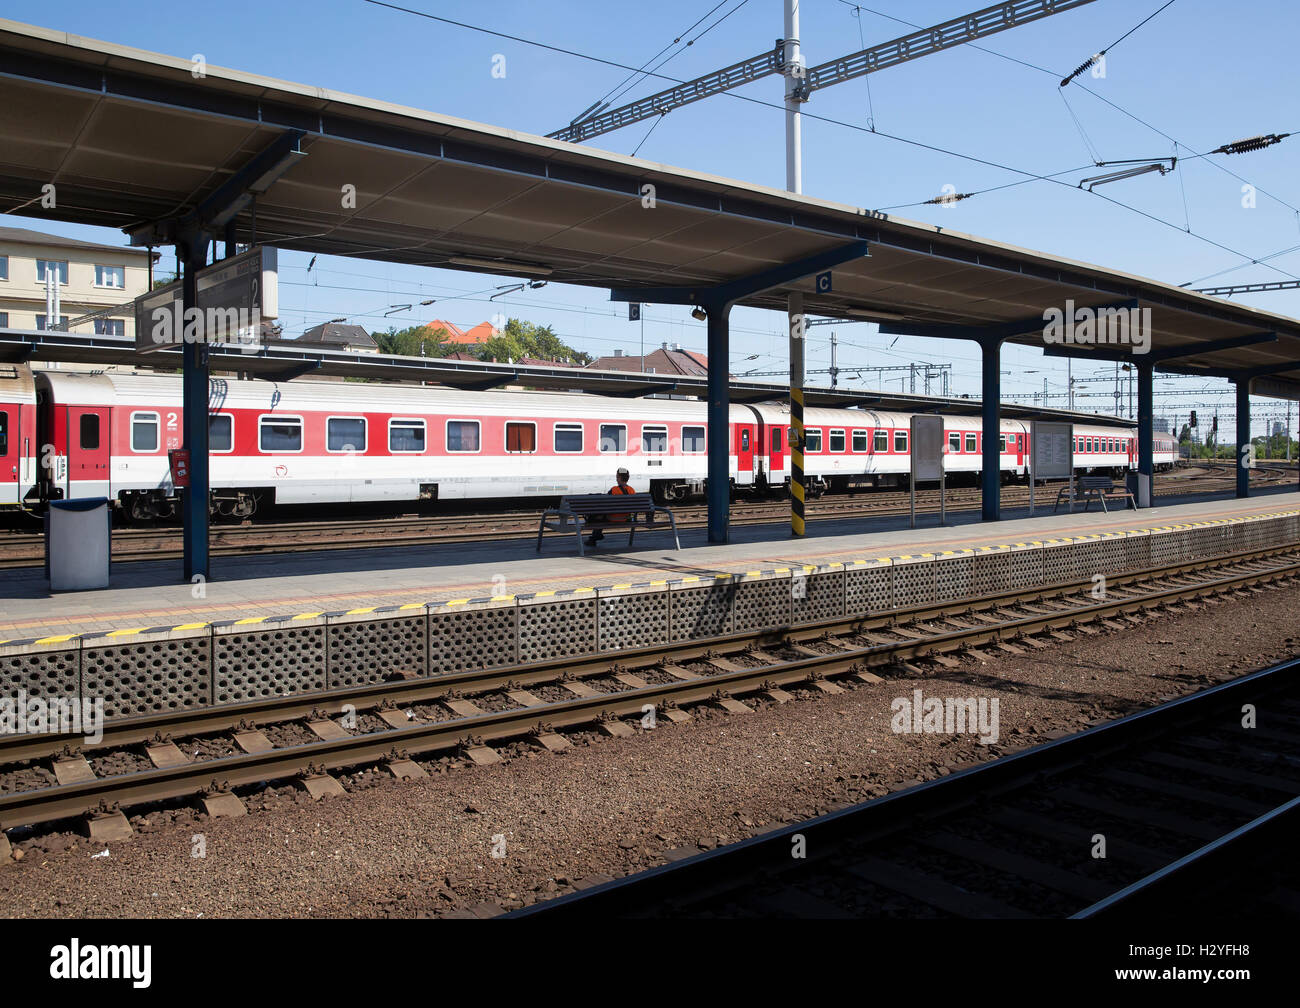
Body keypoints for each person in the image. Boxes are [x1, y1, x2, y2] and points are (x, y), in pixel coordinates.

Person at [586, 467, 636, 547]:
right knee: (600, 517)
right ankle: (594, 538)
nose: (616, 478)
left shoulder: (614, 490)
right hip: (626, 518)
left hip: (613, 518)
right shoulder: (632, 490)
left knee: (598, 518)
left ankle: (594, 539)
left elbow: (605, 503)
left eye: (617, 476)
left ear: (619, 477)